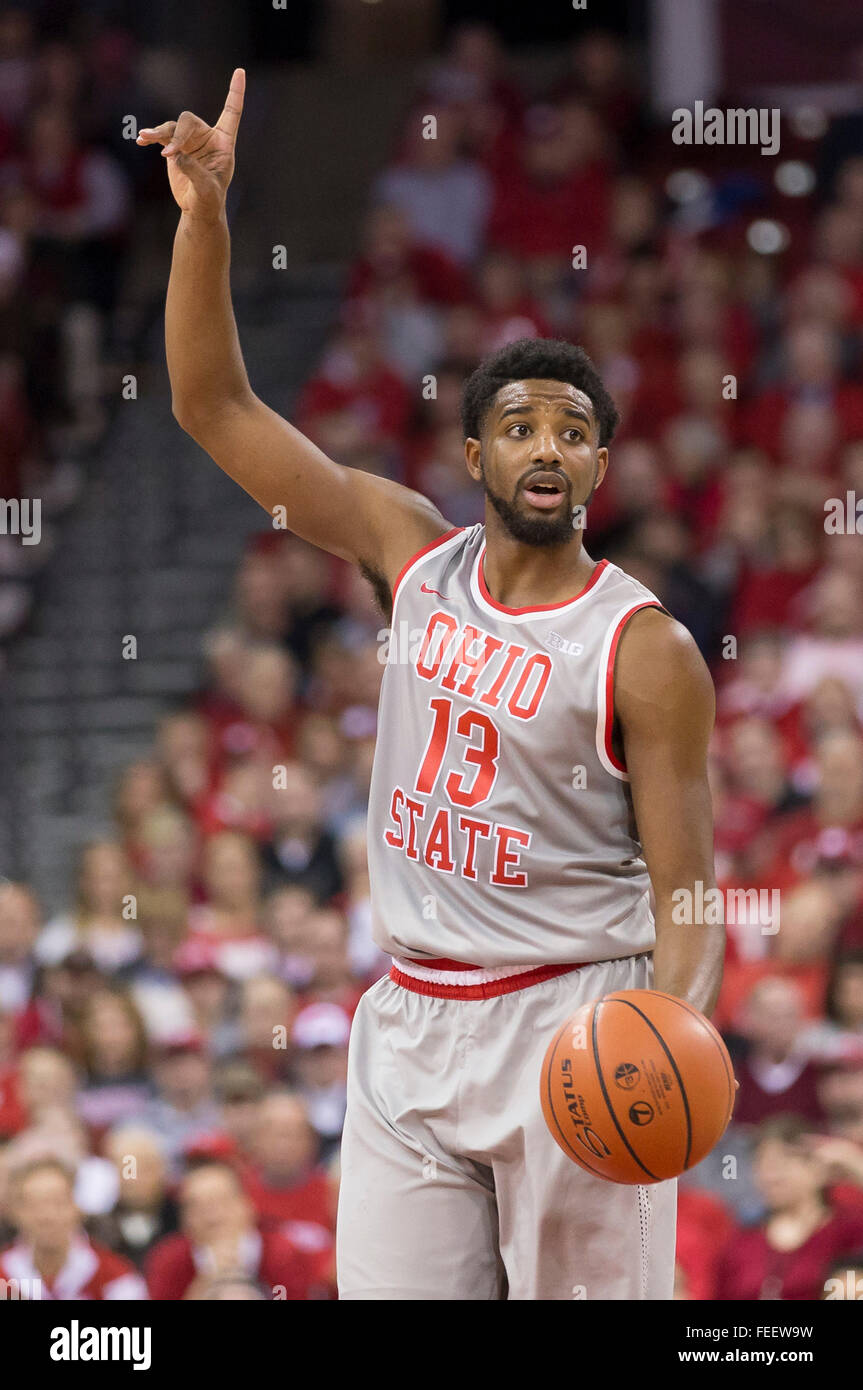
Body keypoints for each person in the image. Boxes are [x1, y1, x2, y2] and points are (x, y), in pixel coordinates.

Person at [137, 71, 724, 1301]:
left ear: (601, 463)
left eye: (572, 429)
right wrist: (205, 219)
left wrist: (662, 1037)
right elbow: (211, 406)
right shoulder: (405, 549)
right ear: (473, 455)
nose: (546, 447)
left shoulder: (643, 646)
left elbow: (686, 893)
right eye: (519, 426)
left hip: (572, 1020)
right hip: (407, 1019)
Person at [0, 1157, 146, 1300]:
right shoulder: (4, 1275)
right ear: (14, 1212)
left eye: (59, 1202)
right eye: (33, 1205)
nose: (47, 1216)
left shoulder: (114, 1276)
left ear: (77, 1208)